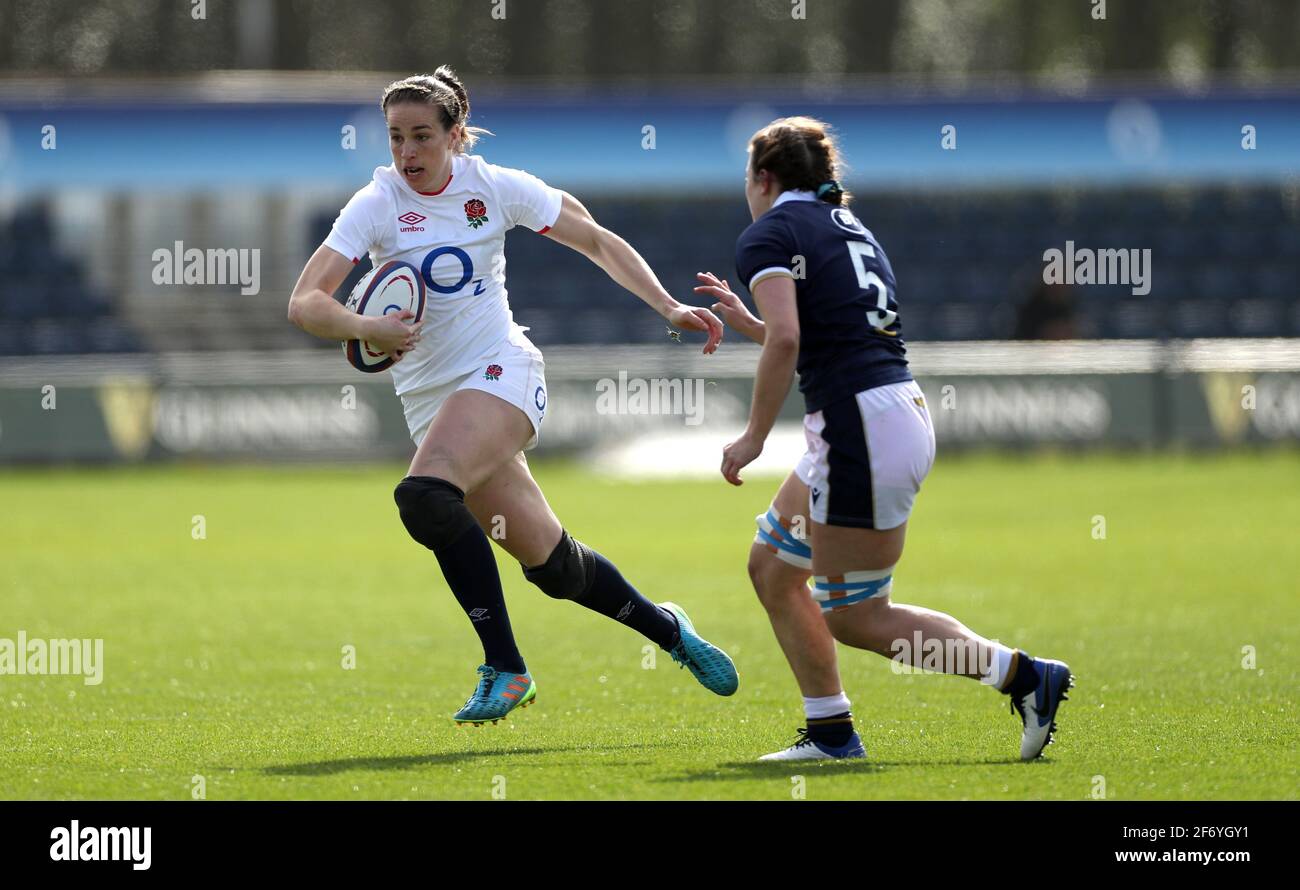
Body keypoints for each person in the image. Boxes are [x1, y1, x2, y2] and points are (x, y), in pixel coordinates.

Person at [288, 66, 737, 726]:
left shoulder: (495, 188)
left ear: (457, 136)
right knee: (555, 568)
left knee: (422, 496)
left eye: (421, 137)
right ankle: (670, 630)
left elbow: (595, 239)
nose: (406, 154)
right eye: (394, 138)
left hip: (503, 374)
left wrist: (668, 306)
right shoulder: (376, 203)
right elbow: (304, 302)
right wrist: (364, 327)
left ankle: (506, 667)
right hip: (432, 404)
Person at [695, 116, 1071, 761]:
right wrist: (751, 323)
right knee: (773, 570)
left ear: (763, 177)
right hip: (877, 417)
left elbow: (790, 341)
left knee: (856, 615)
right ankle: (832, 734)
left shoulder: (770, 232)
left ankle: (1024, 675)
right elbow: (812, 335)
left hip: (859, 429)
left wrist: (754, 436)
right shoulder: (847, 225)